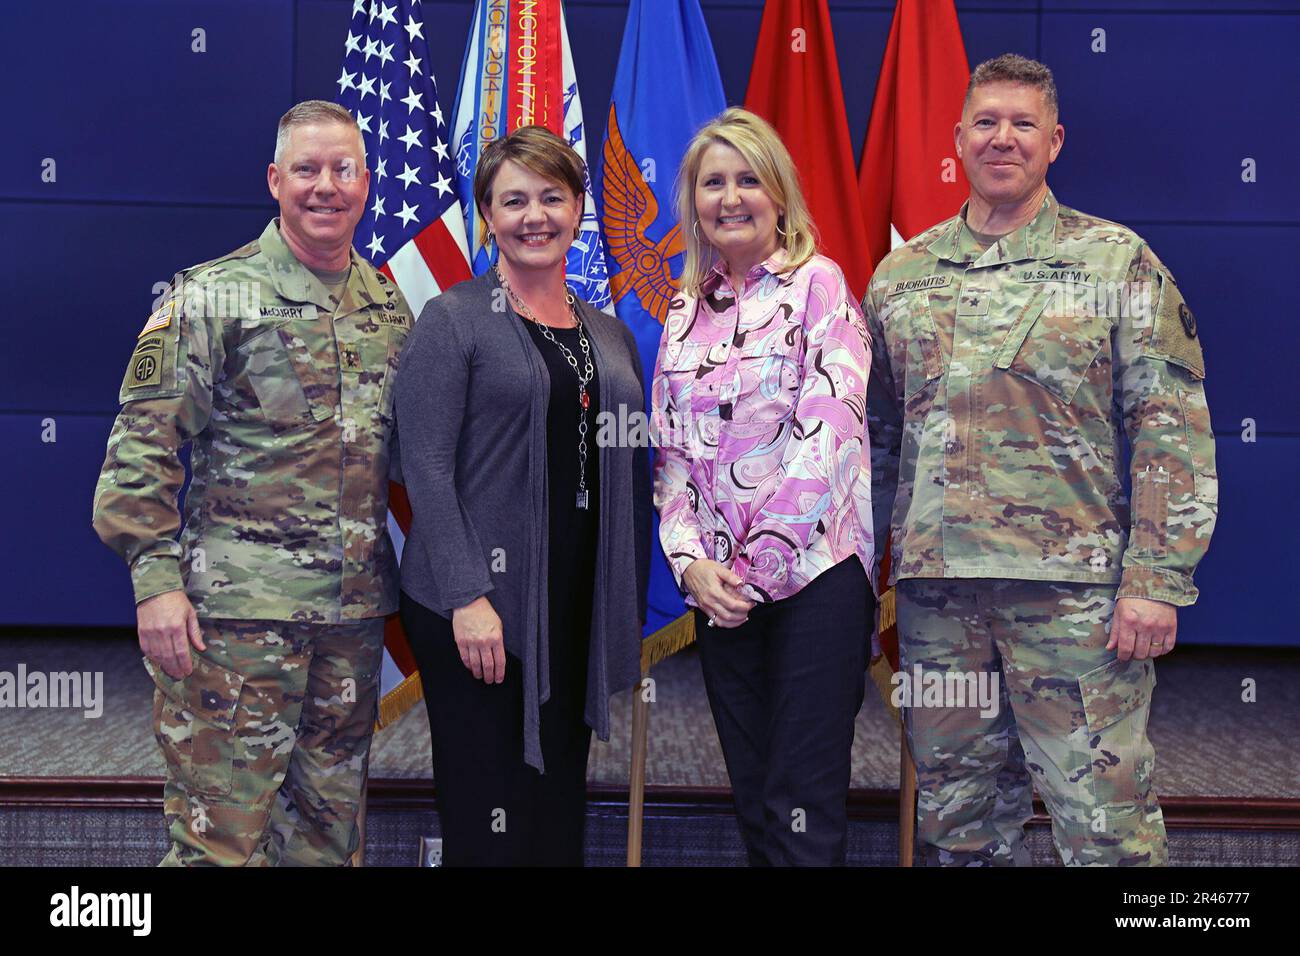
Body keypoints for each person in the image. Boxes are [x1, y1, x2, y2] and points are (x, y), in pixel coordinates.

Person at [864, 54, 1218, 866]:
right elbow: (876, 437)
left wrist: (1157, 581)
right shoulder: (901, 277)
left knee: (1105, 827)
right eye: (986, 122)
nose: (1003, 138)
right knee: (956, 824)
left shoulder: (1114, 263)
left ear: (1054, 141)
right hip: (939, 601)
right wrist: (866, 577)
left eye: (1023, 124)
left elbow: (1172, 427)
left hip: (1076, 603)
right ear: (957, 138)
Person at [91, 100, 413, 866]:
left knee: (326, 844)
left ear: (366, 182)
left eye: (342, 169)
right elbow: (139, 452)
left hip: (352, 622)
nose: (325, 187)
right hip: (234, 626)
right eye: (307, 169)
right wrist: (154, 581)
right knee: (220, 847)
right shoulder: (210, 297)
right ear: (276, 179)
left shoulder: (389, 307)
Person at [394, 125, 649, 867]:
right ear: (487, 218)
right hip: (478, 604)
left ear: (578, 209)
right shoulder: (454, 319)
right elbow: (426, 469)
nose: (534, 216)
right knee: (491, 806)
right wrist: (470, 594)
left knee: (557, 800)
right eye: (513, 201)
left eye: (551, 197)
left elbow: (627, 456)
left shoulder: (610, 333)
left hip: (572, 598)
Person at [651, 107, 875, 866]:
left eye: (749, 178)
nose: (731, 196)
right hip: (722, 594)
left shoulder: (821, 287)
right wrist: (690, 566)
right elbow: (671, 460)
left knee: (801, 801)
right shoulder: (683, 313)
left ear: (779, 194)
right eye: (713, 182)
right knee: (754, 796)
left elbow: (830, 432)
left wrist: (753, 569)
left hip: (814, 582)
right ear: (694, 203)